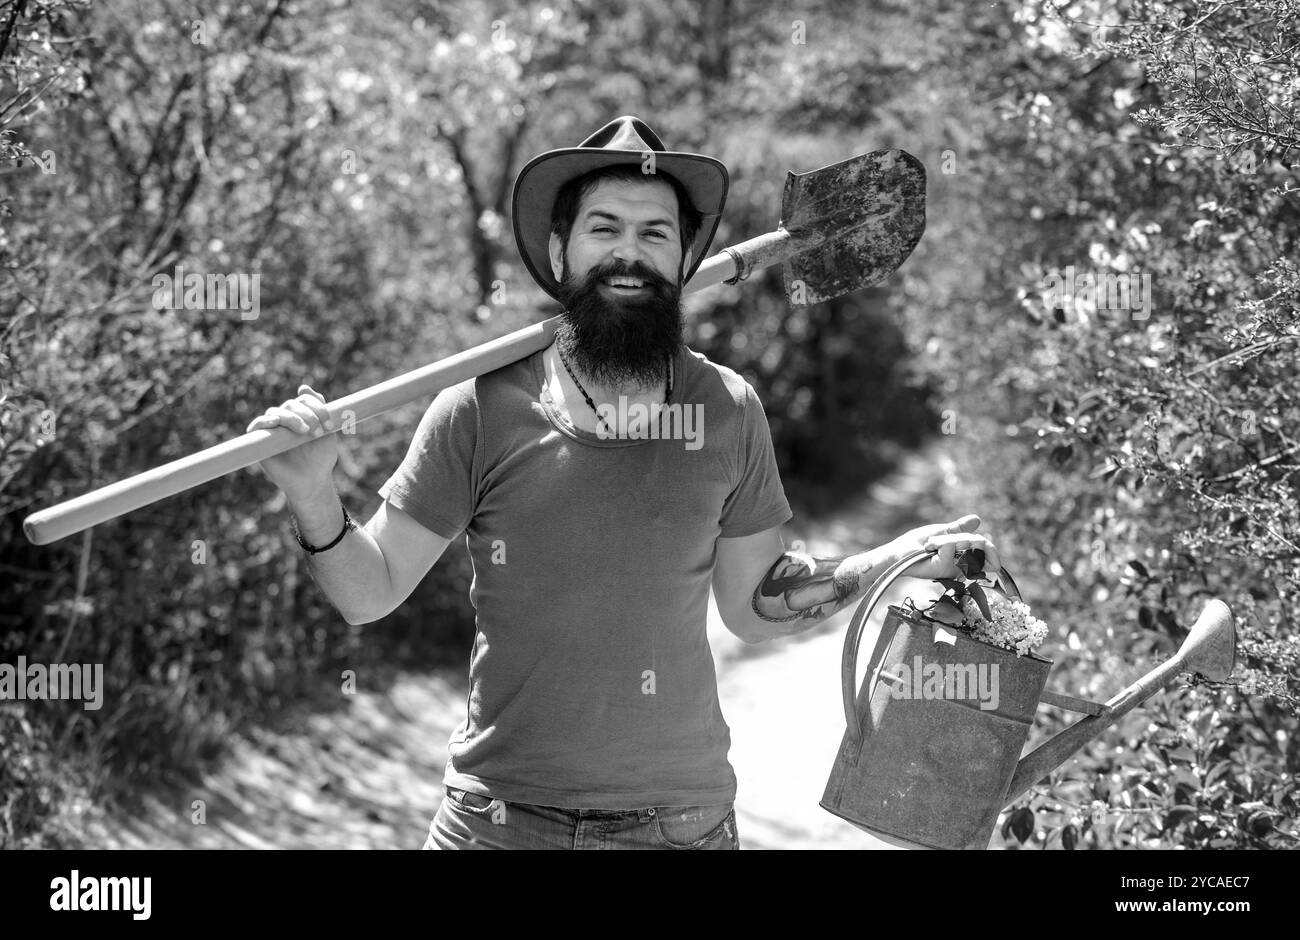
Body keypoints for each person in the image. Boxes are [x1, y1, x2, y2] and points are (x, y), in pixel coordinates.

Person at [247, 116, 1000, 850]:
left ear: (682, 259)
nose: (628, 255)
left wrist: (893, 557)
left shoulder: (726, 410)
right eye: (604, 229)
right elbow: (367, 591)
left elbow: (756, 602)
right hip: (495, 819)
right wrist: (312, 494)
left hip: (679, 824)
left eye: (654, 234)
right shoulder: (479, 409)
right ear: (560, 251)